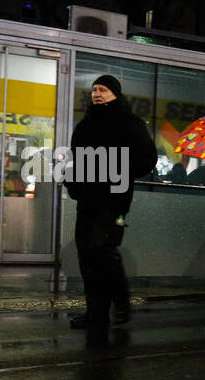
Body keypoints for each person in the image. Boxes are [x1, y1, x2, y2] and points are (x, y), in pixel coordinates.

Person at [65, 75, 158, 331]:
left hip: (115, 203)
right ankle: (96, 313)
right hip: (87, 201)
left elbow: (148, 159)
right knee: (87, 256)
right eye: (94, 89)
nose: (97, 93)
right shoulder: (85, 124)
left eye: (103, 89)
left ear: (115, 93)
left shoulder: (130, 123)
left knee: (104, 251)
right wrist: (72, 183)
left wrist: (119, 168)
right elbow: (76, 159)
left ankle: (121, 303)